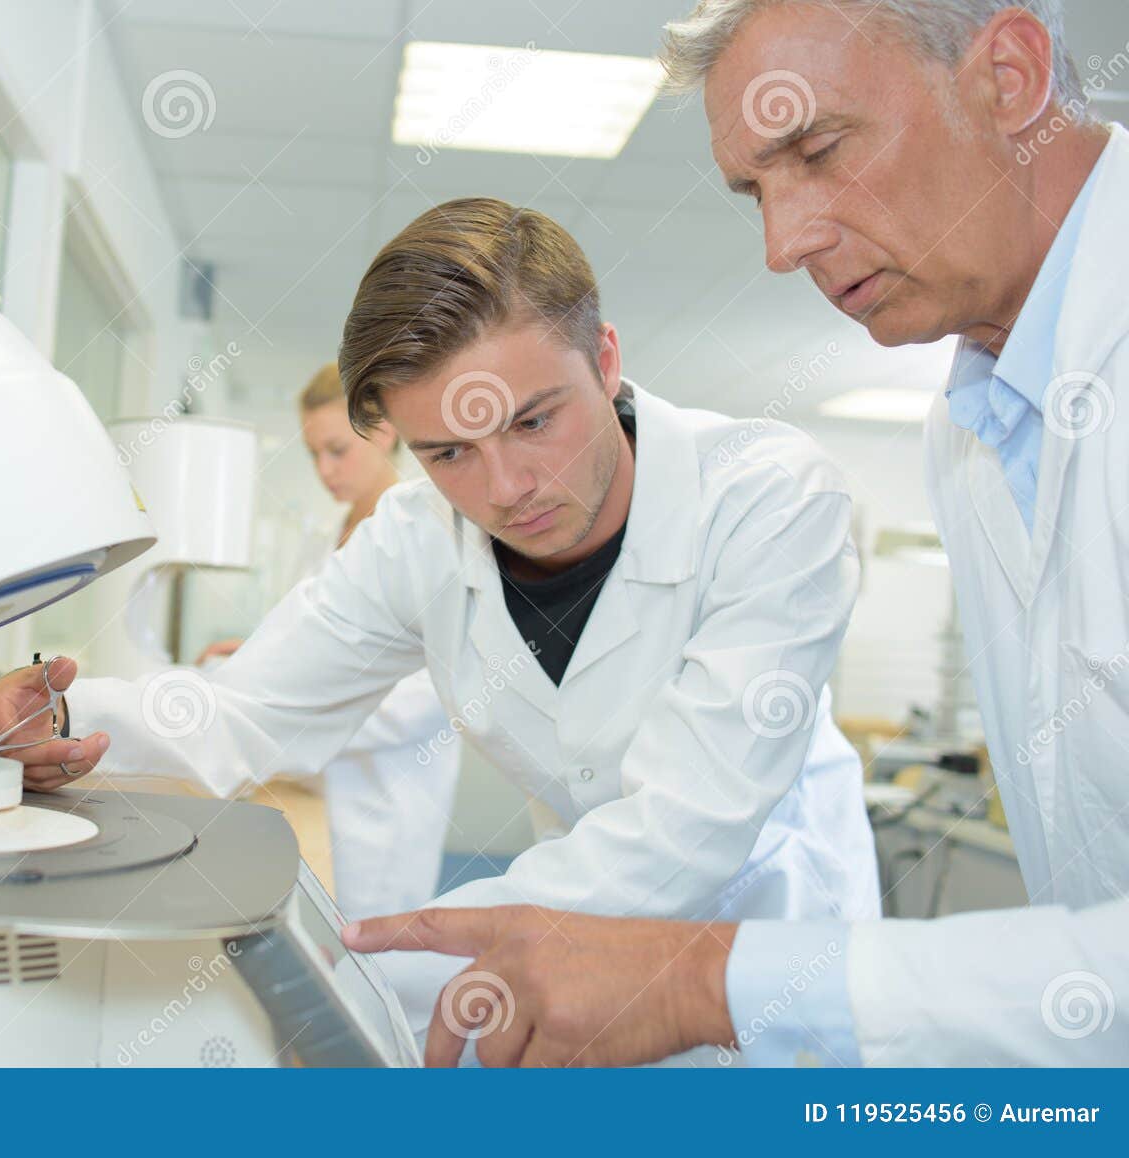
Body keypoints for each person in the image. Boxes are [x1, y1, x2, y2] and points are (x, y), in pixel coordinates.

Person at [346, 0, 1128, 1066]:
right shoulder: (975, 423)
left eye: (815, 150)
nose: (781, 241)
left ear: (1009, 74)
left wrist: (710, 984)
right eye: (757, 187)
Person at [0, 198, 880, 1034]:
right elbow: (249, 708)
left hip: (773, 964)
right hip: (570, 948)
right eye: (448, 452)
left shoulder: (767, 497)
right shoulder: (415, 536)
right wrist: (71, 722)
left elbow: (688, 827)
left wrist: (404, 957)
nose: (508, 488)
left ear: (604, 360)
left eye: (532, 422)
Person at [194, 365, 462, 921]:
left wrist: (294, 712)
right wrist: (254, 659)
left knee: (378, 960)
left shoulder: (435, 534)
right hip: (312, 787)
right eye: (314, 455)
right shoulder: (325, 538)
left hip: (385, 797)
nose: (324, 470)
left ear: (384, 431)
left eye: (337, 450)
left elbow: (424, 699)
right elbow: (310, 646)